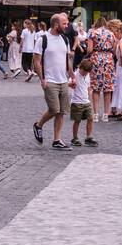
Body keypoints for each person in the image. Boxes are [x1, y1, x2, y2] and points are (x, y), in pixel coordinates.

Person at [32, 12, 73, 150]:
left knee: (61, 112)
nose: (67, 26)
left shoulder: (65, 40)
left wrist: (72, 76)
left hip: (63, 80)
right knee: (54, 110)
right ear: (56, 24)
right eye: (64, 23)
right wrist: (42, 79)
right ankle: (38, 125)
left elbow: (68, 60)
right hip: (50, 80)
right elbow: (37, 61)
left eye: (67, 23)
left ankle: (57, 140)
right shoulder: (42, 40)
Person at [87, 17, 115, 123]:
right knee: (107, 88)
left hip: (96, 59)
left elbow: (89, 49)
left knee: (96, 87)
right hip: (108, 59)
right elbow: (113, 47)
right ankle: (106, 115)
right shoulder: (110, 34)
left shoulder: (93, 33)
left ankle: (95, 114)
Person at [69, 58, 98, 147]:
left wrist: (89, 91)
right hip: (76, 102)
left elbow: (88, 85)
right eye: (84, 71)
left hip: (86, 101)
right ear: (80, 67)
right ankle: (74, 138)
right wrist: (71, 84)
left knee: (90, 118)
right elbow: (68, 83)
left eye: (87, 72)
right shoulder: (75, 75)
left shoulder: (88, 75)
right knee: (77, 121)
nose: (85, 73)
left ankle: (88, 137)